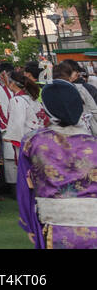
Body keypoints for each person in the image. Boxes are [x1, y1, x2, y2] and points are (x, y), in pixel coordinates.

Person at [18, 81, 97, 248]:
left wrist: (30, 224)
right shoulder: (93, 143)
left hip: (54, 225)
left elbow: (25, 186)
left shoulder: (33, 141)